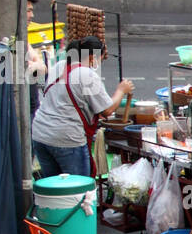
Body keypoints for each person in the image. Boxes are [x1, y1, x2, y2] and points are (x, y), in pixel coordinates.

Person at [31, 36, 133, 179]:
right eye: (100, 59)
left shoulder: (60, 65)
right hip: (65, 138)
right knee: (78, 188)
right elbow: (107, 110)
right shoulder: (86, 74)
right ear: (92, 57)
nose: (99, 64)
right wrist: (121, 90)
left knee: (55, 189)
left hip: (40, 133)